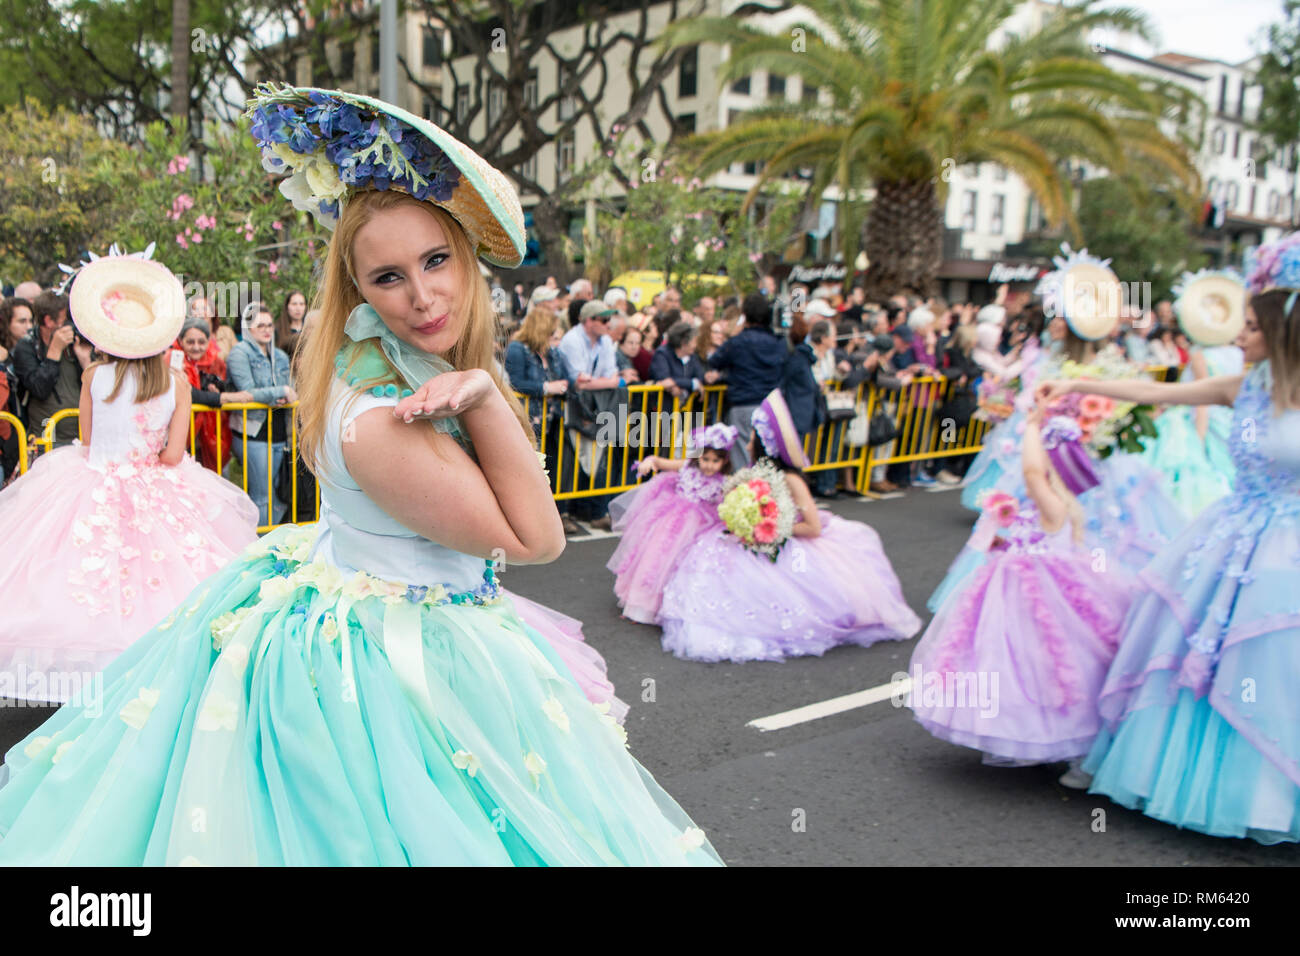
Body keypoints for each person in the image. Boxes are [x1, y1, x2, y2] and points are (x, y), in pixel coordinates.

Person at [0, 85, 722, 866]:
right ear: (358, 290)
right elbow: (538, 537)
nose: (422, 294)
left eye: (437, 260)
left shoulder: (392, 359)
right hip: (391, 661)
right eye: (389, 278)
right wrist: (483, 399)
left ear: (466, 255)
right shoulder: (382, 420)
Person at [1034, 283, 1300, 844]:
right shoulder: (1241, 386)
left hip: (1287, 552)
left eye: (1251, 327)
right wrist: (1077, 383)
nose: (1238, 335)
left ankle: (1269, 796)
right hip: (1229, 536)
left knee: (1268, 665)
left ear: (1279, 335)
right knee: (1184, 646)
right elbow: (1158, 393)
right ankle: (1175, 774)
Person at [0, 254, 259, 706]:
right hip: (153, 480)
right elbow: (175, 454)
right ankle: (154, 680)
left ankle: (87, 685)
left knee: (78, 578)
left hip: (92, 479)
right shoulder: (176, 382)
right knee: (166, 580)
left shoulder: (95, 375)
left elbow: (86, 437)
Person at [907, 409, 1136, 782]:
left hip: (1044, 598)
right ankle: (1028, 737)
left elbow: (1031, 473)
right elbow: (1030, 527)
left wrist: (1031, 425)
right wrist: (1004, 541)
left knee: (1048, 665)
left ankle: (1072, 746)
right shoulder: (1040, 506)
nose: (1029, 474)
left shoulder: (1055, 504)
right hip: (1014, 590)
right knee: (1015, 664)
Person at [657, 390, 921, 662]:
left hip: (785, 540)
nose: (746, 445)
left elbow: (813, 527)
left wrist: (767, 528)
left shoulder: (791, 479)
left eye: (752, 441)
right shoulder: (754, 472)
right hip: (756, 537)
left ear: (760, 444)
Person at [606, 424, 737, 624]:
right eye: (705, 459)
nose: (709, 465)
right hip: (671, 522)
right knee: (653, 560)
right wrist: (648, 462)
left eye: (715, 461)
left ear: (724, 461)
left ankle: (667, 608)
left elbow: (727, 505)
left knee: (679, 567)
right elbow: (659, 461)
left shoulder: (724, 482)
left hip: (700, 528)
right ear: (698, 457)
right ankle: (638, 607)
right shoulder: (686, 467)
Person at [504, 307, 578, 535]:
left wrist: (565, 385)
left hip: (554, 418)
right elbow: (514, 382)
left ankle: (555, 516)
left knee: (557, 468)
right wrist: (546, 388)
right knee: (530, 468)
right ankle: (526, 521)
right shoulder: (517, 349)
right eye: (551, 332)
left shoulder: (552, 351)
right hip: (530, 420)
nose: (554, 336)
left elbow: (567, 377)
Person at [227, 301, 295, 527]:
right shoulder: (240, 353)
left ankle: (268, 542)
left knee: (278, 496)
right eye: (260, 326)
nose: (266, 330)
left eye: (269, 325)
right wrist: (280, 392)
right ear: (248, 329)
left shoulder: (280, 356)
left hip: (279, 432)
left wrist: (278, 393)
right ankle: (258, 547)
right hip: (253, 433)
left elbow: (289, 390)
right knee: (261, 496)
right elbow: (248, 392)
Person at [708, 293, 788, 471]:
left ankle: (749, 494)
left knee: (743, 459)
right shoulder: (778, 342)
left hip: (744, 404)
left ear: (745, 315)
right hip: (770, 407)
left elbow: (715, 360)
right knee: (767, 458)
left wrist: (736, 332)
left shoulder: (738, 342)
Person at [170, 316, 252, 472]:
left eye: (201, 342)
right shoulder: (173, 360)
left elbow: (227, 384)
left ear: (209, 341)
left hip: (212, 433)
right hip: (181, 436)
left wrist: (219, 389)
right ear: (180, 341)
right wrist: (225, 398)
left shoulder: (215, 361)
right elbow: (188, 393)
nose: (196, 347)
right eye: (190, 342)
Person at [648, 320, 711, 400]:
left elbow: (700, 376)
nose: (696, 345)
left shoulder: (692, 357)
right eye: (694, 341)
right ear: (684, 342)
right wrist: (692, 383)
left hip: (683, 409)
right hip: (662, 407)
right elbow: (664, 379)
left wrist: (676, 382)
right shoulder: (662, 354)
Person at [276, 289, 309, 362]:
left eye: (301, 304)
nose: (298, 308)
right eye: (294, 304)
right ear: (287, 307)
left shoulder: (310, 328)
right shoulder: (278, 330)